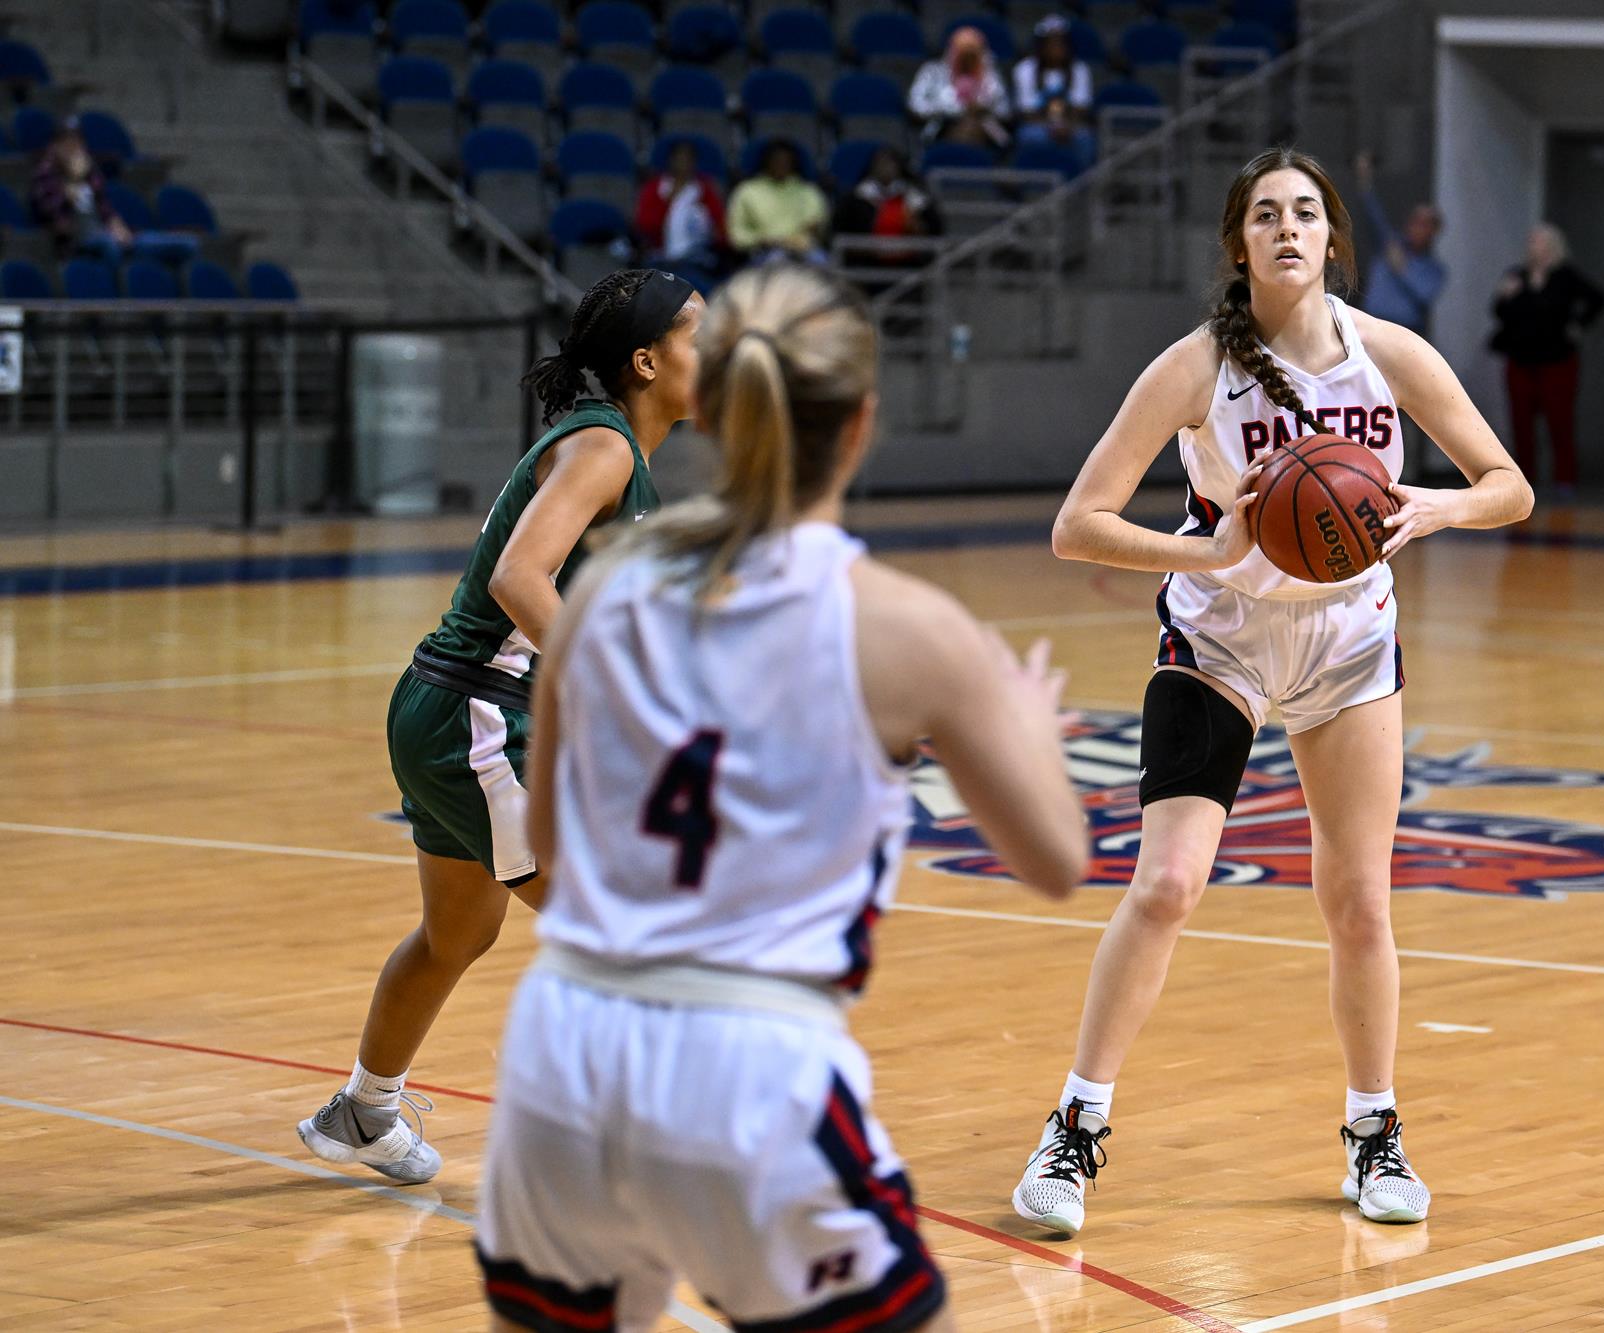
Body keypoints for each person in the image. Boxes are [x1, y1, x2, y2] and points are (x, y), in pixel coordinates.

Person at [473, 263, 1088, 1333]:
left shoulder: (609, 587)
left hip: (564, 1042)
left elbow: (555, 842)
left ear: (719, 411)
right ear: (859, 425)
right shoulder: (909, 628)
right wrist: (1025, 731)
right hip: (744, 1061)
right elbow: (1056, 861)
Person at [1006, 146, 1533, 1237]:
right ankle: (1072, 1125)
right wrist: (1210, 551)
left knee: (1357, 900)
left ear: (1332, 239)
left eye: (1304, 212)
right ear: (1237, 243)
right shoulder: (1196, 367)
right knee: (1166, 886)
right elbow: (1075, 525)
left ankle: (1373, 1129)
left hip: (1347, 645)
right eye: (1263, 215)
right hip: (1221, 639)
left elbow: (1507, 488)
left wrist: (1431, 510)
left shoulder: (1387, 355)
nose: (1286, 228)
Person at [296, 270, 704, 1183]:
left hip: (446, 705)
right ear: (647, 361)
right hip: (482, 715)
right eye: (700, 337)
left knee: (458, 934)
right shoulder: (602, 446)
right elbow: (520, 579)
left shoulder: (611, 454)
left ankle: (363, 1110)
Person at [1490, 223, 1604, 500]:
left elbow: (1598, 299)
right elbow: (1499, 312)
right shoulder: (1516, 276)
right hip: (1521, 360)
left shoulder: (1566, 277)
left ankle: (1564, 481)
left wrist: (1578, 324)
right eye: (1531, 241)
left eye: (1539, 241)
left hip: (1557, 360)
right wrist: (1506, 295)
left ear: (1553, 246)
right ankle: (1523, 482)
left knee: (1559, 422)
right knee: (1521, 425)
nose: (1533, 246)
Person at [1351, 151, 1444, 338]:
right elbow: (1373, 213)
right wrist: (1364, 177)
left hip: (1405, 333)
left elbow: (1424, 293)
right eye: (1415, 221)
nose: (1417, 228)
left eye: (1425, 224)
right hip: (1369, 327)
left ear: (1434, 231)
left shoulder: (1435, 269)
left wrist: (1402, 268)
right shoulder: (1390, 243)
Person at [29, 123, 133, 261]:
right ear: (54, 147)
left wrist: (118, 227)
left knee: (155, 244)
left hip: (102, 233)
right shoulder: (46, 175)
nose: (74, 149)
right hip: (74, 241)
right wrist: (75, 179)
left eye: (78, 143)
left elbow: (105, 208)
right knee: (109, 245)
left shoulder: (90, 173)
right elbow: (52, 213)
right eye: (67, 144)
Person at [833, 145, 942, 274]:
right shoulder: (855, 199)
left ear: (899, 167)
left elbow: (935, 234)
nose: (885, 168)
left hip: (909, 265)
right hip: (865, 263)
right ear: (872, 167)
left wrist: (917, 226)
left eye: (890, 163)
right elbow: (839, 233)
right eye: (881, 163)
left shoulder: (917, 198)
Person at [634, 140, 727, 289]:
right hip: (660, 256)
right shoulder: (655, 188)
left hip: (695, 258)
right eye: (679, 158)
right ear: (670, 160)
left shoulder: (705, 190)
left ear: (694, 162)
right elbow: (643, 224)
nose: (683, 162)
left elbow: (720, 229)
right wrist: (669, 204)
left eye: (687, 158)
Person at [727, 138, 830, 266]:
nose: (781, 165)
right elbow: (737, 235)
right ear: (766, 162)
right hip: (764, 253)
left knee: (823, 264)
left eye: (786, 161)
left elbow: (817, 224)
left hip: (804, 252)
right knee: (778, 262)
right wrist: (762, 240)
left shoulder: (808, 191)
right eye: (777, 160)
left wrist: (813, 231)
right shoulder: (747, 191)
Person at [909, 25, 1011, 149]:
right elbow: (915, 105)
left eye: (972, 54)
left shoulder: (991, 75)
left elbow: (1005, 110)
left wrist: (984, 107)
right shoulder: (932, 71)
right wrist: (955, 110)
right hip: (943, 125)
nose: (967, 60)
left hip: (983, 128)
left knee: (973, 129)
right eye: (963, 53)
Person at [1013, 15, 1095, 165]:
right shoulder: (1024, 69)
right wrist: (1052, 127)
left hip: (1071, 124)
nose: (1056, 48)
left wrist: (1065, 126)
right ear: (1041, 45)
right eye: (1051, 43)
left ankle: (1082, 183)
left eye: (1060, 43)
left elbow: (1082, 109)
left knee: (1085, 138)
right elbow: (1026, 112)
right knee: (1029, 136)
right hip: (1037, 126)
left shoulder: (1080, 69)